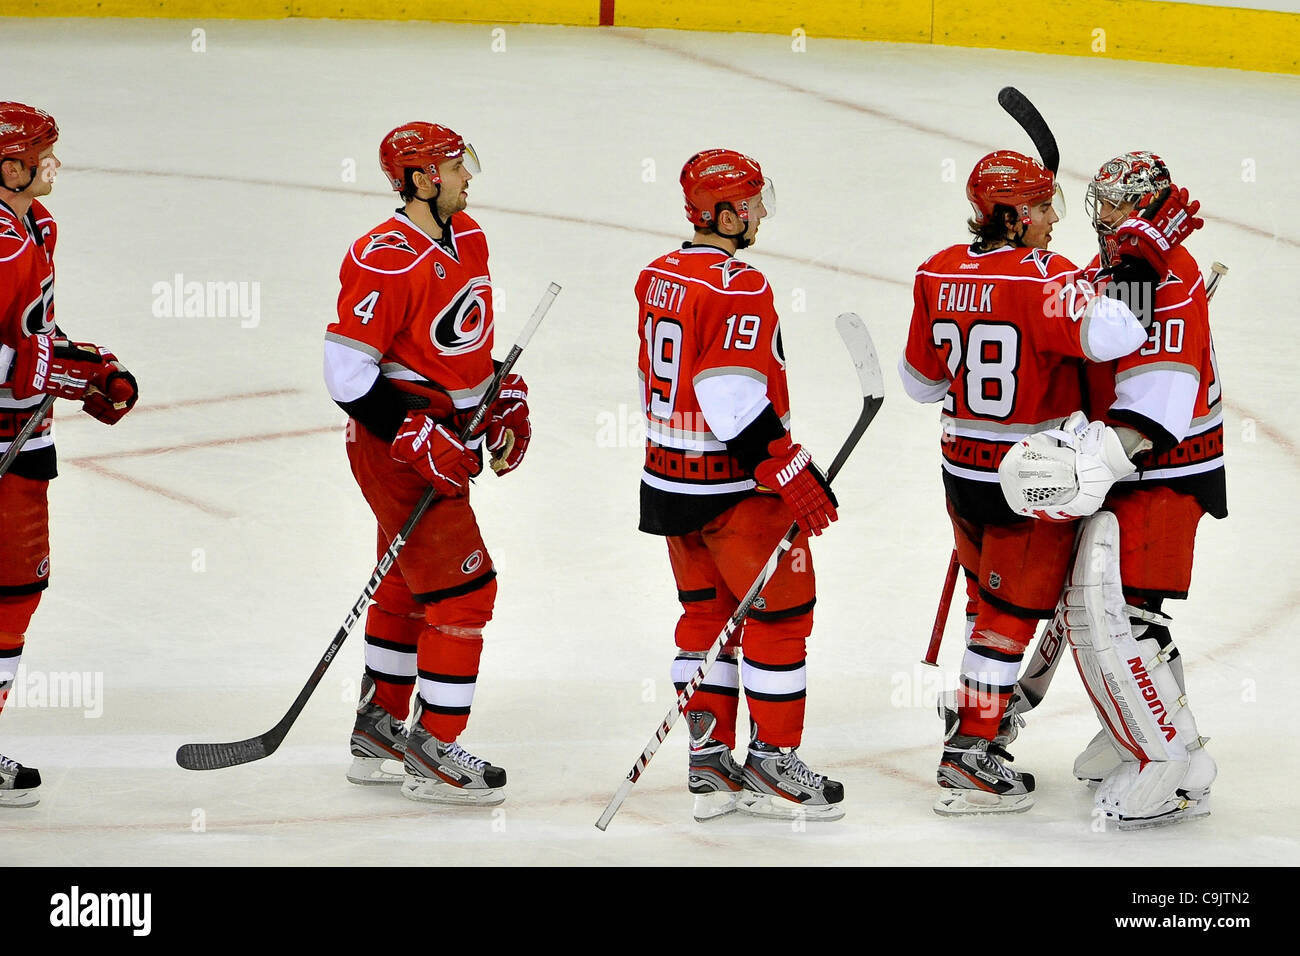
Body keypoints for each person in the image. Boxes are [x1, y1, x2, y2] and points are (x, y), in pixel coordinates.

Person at [899, 149, 1198, 816]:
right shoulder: (1048, 277)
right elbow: (1116, 334)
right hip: (1029, 479)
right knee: (1007, 617)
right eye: (1041, 208)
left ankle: (979, 711)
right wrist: (1143, 263)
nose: (1054, 220)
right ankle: (971, 750)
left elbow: (919, 384)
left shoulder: (936, 269)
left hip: (960, 471)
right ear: (1013, 216)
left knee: (984, 600)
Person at [324, 122, 530, 806]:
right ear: (420, 180)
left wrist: (500, 396)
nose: (467, 176)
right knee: (465, 593)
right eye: (454, 166)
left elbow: (457, 346)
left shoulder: (468, 237)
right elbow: (346, 373)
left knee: (406, 585)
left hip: (443, 441)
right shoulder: (383, 258)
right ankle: (433, 750)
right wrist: (413, 433)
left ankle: (380, 730)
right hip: (394, 449)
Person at [636, 149, 843, 822]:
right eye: (752, 204)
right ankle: (772, 763)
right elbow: (726, 394)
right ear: (725, 215)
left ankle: (710, 761)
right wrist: (780, 462)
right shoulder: (740, 284)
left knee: (706, 618)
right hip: (734, 489)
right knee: (780, 618)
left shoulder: (658, 274)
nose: (760, 216)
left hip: (669, 480)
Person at [1058, 151, 1222, 828]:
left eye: (1118, 204)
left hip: (1164, 470)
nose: (1104, 216)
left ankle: (1176, 763)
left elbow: (1160, 408)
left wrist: (1086, 462)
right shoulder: (1127, 267)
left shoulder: (1170, 278)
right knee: (1112, 611)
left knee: (1129, 616)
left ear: (1148, 207)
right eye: (1100, 202)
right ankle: (1136, 728)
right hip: (1126, 466)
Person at [0, 102, 139, 807]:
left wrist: (88, 365)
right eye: (41, 154)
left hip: (26, 439)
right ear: (10, 166)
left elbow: (33, 332)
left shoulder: (38, 224)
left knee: (15, 594)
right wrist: (51, 371)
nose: (53, 164)